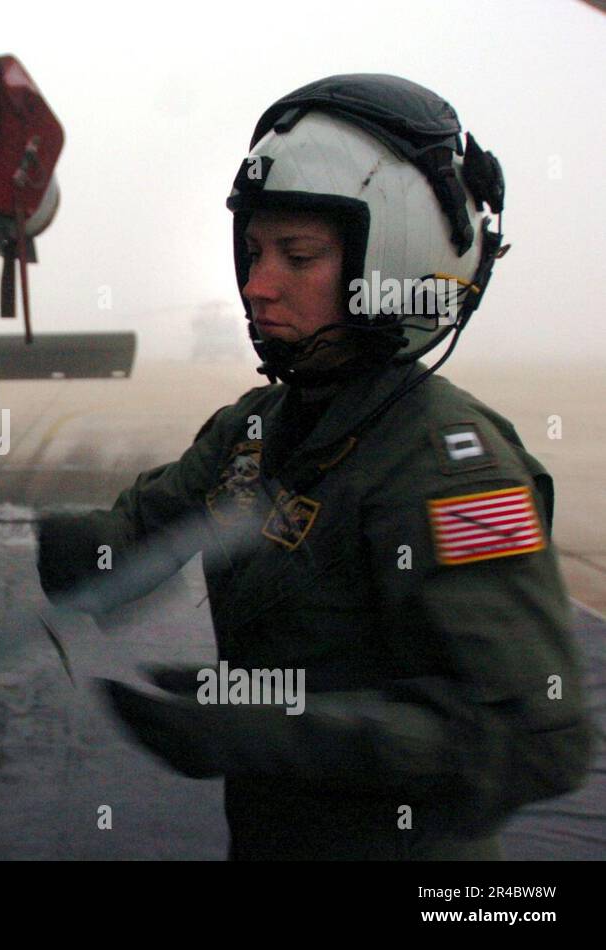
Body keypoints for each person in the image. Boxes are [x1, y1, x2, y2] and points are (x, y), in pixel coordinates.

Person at [36, 74, 592, 860]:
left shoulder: (453, 469)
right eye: (254, 253)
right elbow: (145, 527)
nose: (258, 287)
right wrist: (68, 545)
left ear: (393, 261)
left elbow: (537, 738)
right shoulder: (259, 429)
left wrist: (270, 729)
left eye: (297, 255)